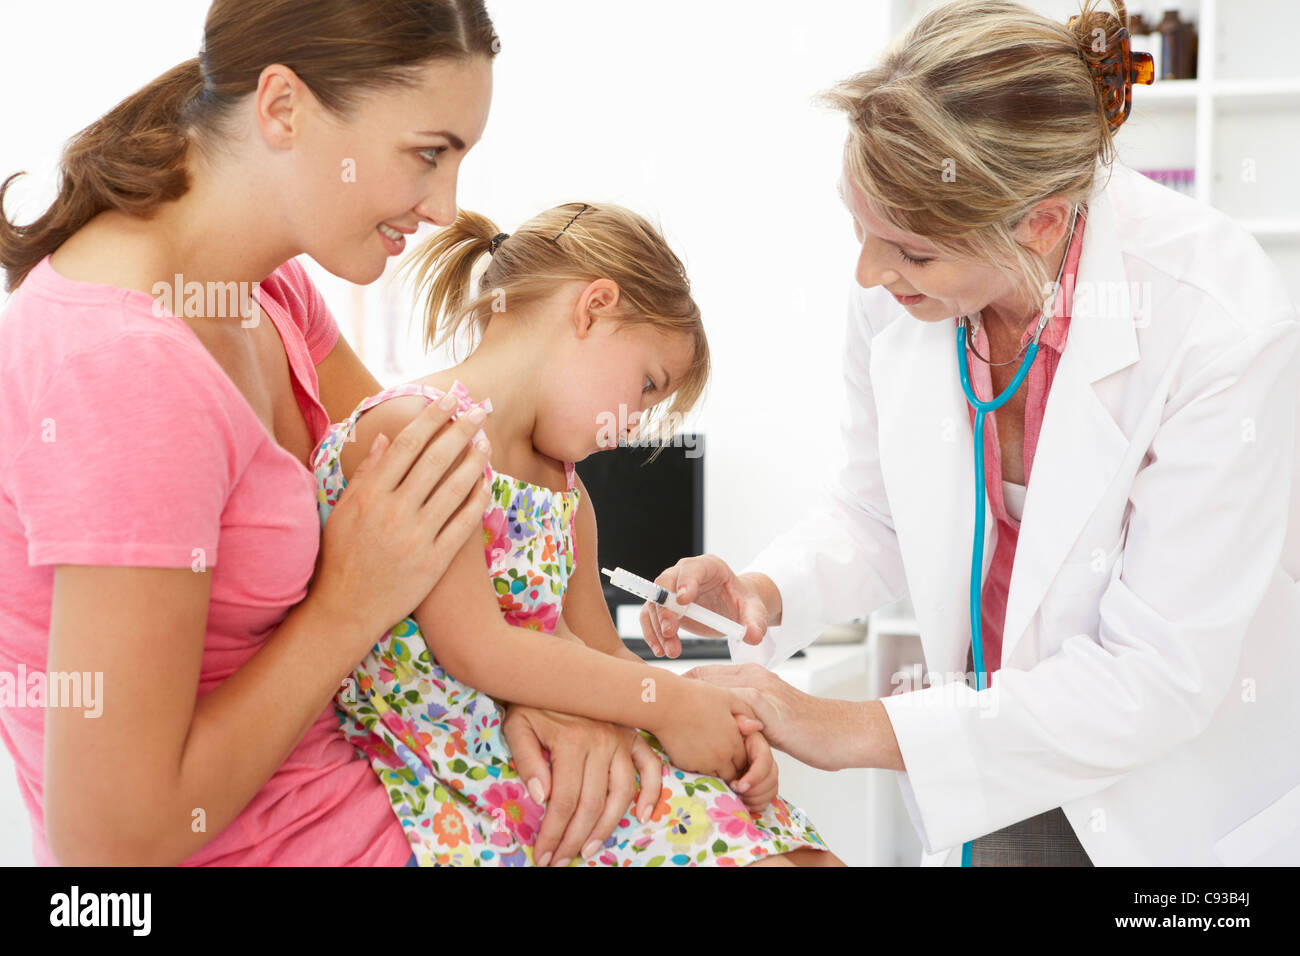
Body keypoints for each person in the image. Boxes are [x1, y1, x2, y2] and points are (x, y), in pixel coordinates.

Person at [0, 0, 671, 868]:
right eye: (428, 154)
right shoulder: (125, 369)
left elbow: (430, 517)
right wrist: (345, 606)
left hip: (392, 794)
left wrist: (533, 695)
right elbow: (111, 847)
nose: (445, 209)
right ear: (282, 108)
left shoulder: (267, 293)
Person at [642, 0, 1300, 867]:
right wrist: (767, 590)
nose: (869, 273)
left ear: (1040, 222)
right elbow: (875, 512)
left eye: (910, 252)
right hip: (988, 759)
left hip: (1171, 798)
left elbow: (1155, 676)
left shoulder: (1218, 320)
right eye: (860, 228)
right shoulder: (899, 287)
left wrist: (837, 726)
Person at [312, 202, 836, 867]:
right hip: (467, 775)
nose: (637, 422)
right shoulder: (418, 431)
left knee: (800, 849)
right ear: (592, 307)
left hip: (559, 749)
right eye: (647, 386)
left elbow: (601, 650)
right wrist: (672, 709)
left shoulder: (567, 491)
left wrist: (715, 719)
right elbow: (477, 649)